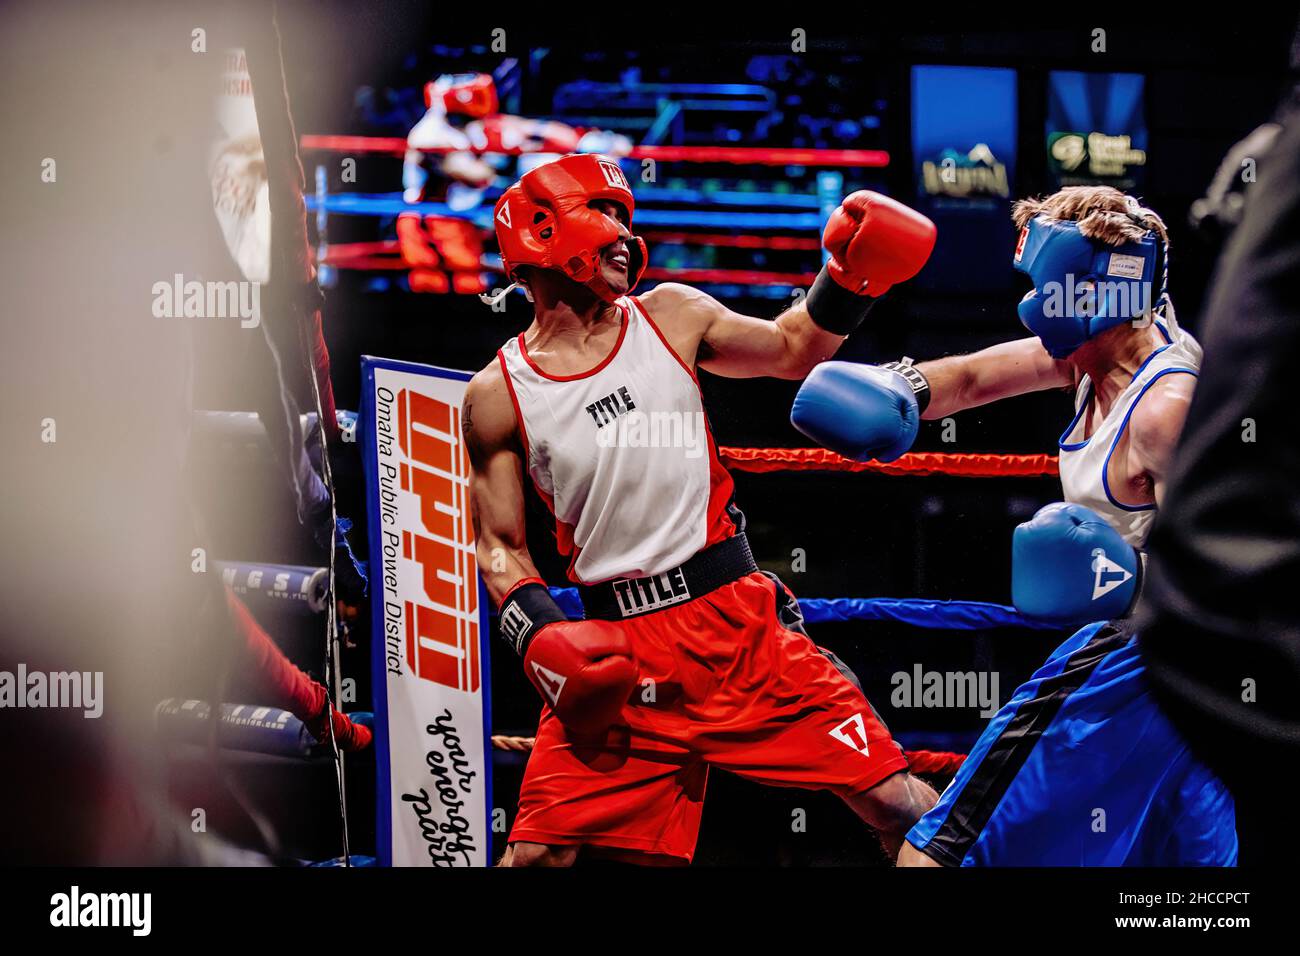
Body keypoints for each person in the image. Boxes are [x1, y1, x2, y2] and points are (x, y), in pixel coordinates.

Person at [463, 152, 938, 865]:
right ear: (539, 233)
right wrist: (540, 640)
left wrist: (847, 280)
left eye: (627, 216)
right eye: (605, 214)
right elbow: (498, 545)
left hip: (737, 629)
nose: (626, 234)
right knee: (537, 858)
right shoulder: (496, 393)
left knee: (900, 805)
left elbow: (793, 347)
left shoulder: (671, 315)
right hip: (617, 649)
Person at [793, 185, 1237, 865]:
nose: (1029, 301)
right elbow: (969, 380)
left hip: (1132, 666)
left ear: (1089, 287)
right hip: (1193, 701)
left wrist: (1127, 579)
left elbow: (1228, 578)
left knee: (937, 856)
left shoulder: (1164, 409)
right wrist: (894, 390)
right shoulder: (1094, 354)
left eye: (1041, 281)